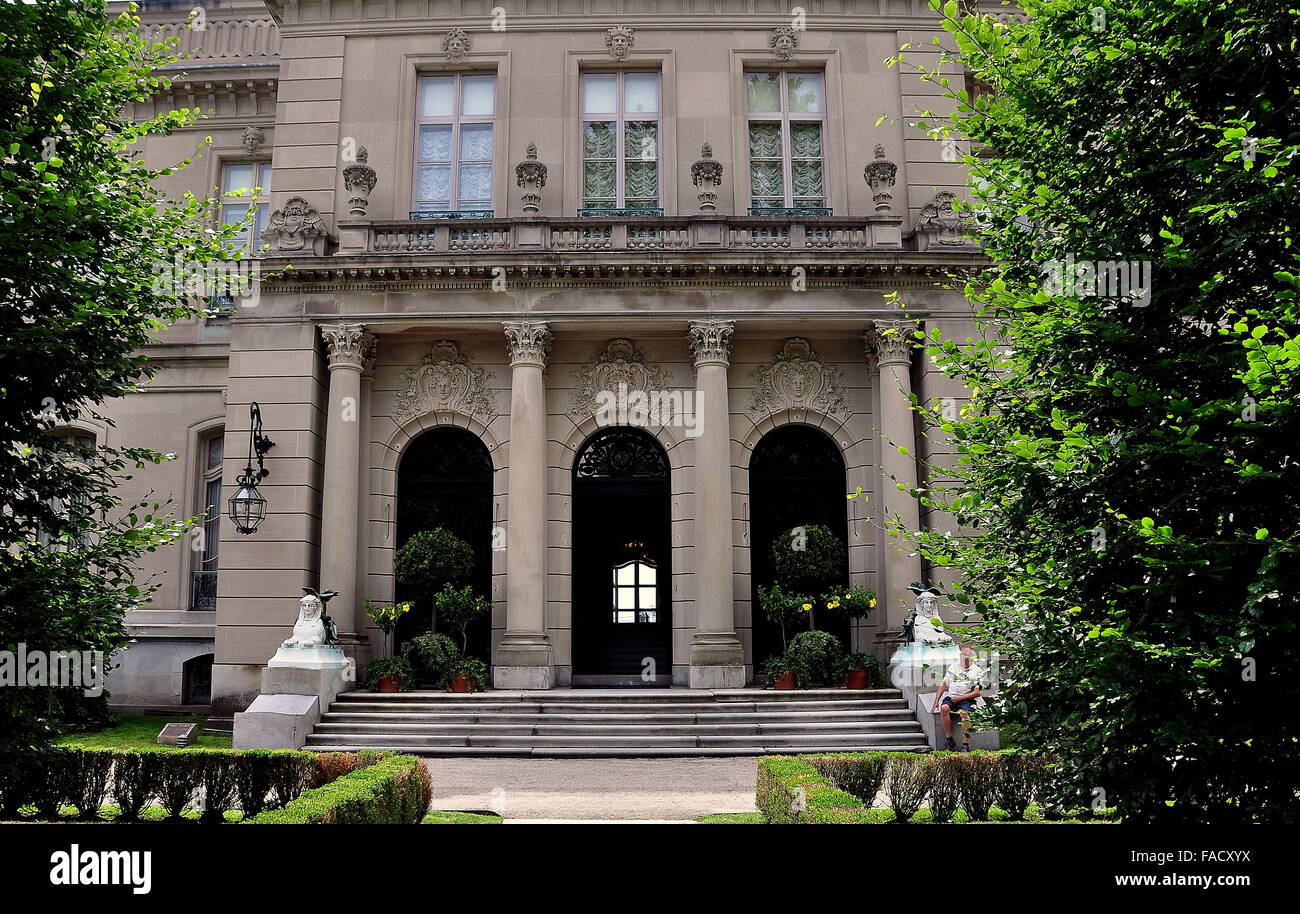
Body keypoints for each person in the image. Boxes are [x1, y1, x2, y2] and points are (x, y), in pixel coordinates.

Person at [930, 644, 983, 751]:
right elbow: (944, 684)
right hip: (952, 697)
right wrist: (936, 701)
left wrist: (960, 699)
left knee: (964, 713)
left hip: (967, 699)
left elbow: (977, 693)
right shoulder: (953, 666)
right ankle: (950, 741)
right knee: (944, 708)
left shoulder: (977, 671)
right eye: (962, 655)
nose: (963, 657)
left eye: (965, 655)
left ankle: (965, 745)